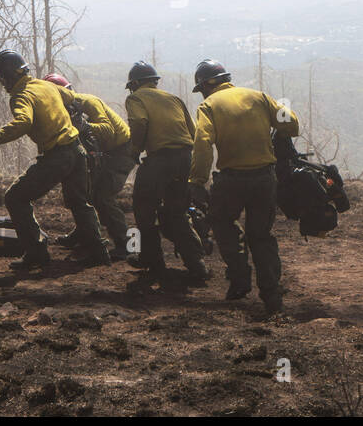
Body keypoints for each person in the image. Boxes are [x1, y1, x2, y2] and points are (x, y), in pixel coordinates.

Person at [0, 51, 110, 269]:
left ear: (7, 76)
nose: (1, 83)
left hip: (58, 157)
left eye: (1, 78)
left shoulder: (21, 96)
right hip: (77, 150)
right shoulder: (46, 86)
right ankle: (99, 252)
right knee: (79, 203)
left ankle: (36, 252)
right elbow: (73, 99)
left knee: (16, 197)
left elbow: (23, 123)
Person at [188, 59, 298, 315]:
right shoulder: (258, 96)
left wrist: (197, 181)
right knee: (261, 235)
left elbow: (203, 144)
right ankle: (272, 294)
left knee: (223, 223)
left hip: (231, 180)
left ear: (205, 86)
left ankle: (239, 279)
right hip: (264, 179)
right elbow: (292, 124)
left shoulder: (208, 106)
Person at [123, 61, 208, 284]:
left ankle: (152, 260)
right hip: (184, 158)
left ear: (135, 84)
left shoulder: (135, 98)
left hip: (160, 159)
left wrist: (135, 150)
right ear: (154, 81)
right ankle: (196, 263)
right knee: (177, 211)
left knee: (144, 208)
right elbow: (195, 132)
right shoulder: (174, 99)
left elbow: (140, 121)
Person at [41, 72, 135, 255]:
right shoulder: (68, 111)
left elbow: (107, 130)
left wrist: (85, 126)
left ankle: (127, 245)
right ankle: (85, 234)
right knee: (86, 193)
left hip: (121, 151)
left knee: (102, 195)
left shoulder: (88, 102)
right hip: (104, 152)